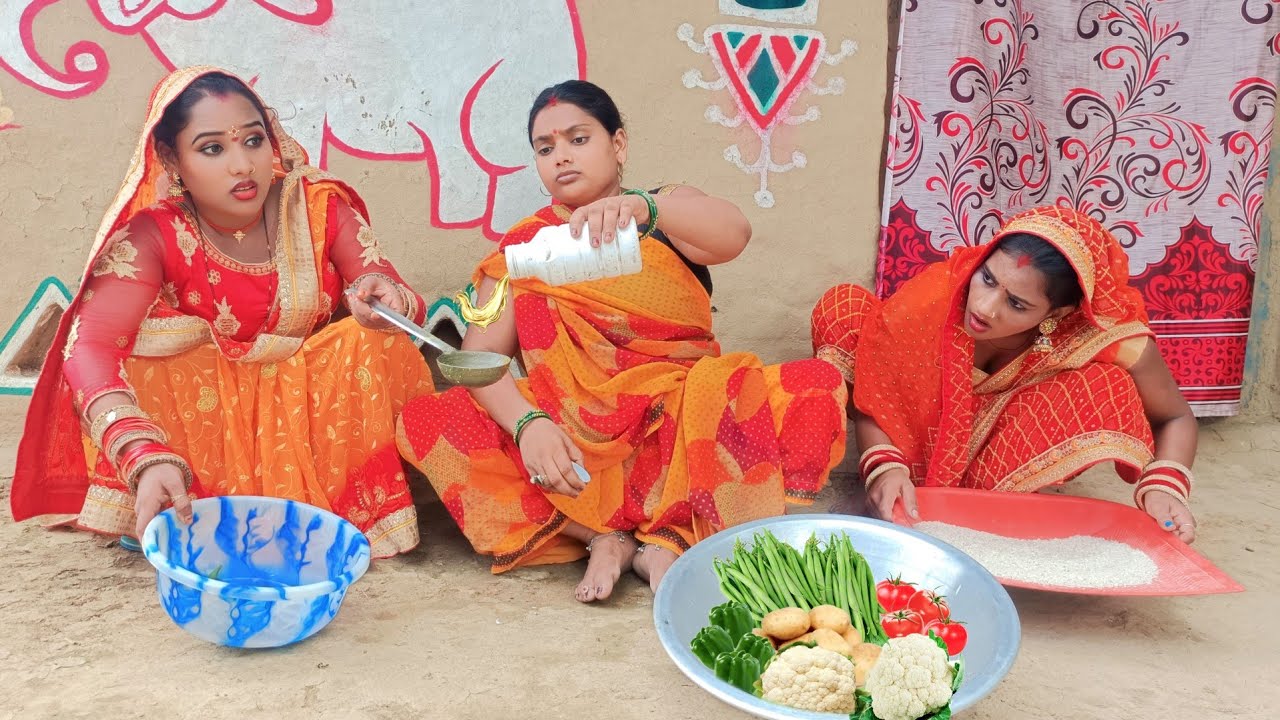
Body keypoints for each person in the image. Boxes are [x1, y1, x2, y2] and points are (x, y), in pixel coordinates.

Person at [397, 80, 848, 602]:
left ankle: (670, 535)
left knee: (814, 385)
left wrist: (645, 210)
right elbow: (478, 360)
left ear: (619, 145)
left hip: (678, 423)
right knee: (427, 422)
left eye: (578, 139)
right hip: (575, 445)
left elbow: (734, 234)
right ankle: (600, 537)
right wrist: (527, 424)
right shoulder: (524, 248)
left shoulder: (664, 211)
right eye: (545, 148)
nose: (561, 156)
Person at [11, 67, 435, 558]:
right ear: (171, 158)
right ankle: (169, 487)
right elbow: (89, 347)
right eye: (213, 148)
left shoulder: (319, 207)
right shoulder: (154, 233)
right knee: (139, 357)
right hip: (206, 423)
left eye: (253, 141)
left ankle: (342, 504)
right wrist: (141, 454)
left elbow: (398, 296)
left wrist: (384, 300)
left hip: (308, 409)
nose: (242, 165)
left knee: (375, 341)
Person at [812, 206, 1200, 542]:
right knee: (844, 309)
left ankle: (978, 504)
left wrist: (1165, 486)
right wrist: (884, 468)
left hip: (996, 440)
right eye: (987, 279)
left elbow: (1176, 417)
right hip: (915, 425)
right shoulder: (932, 300)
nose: (984, 307)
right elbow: (878, 397)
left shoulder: (1100, 336)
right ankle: (901, 486)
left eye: (1016, 303)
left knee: (1106, 385)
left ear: (1056, 315)